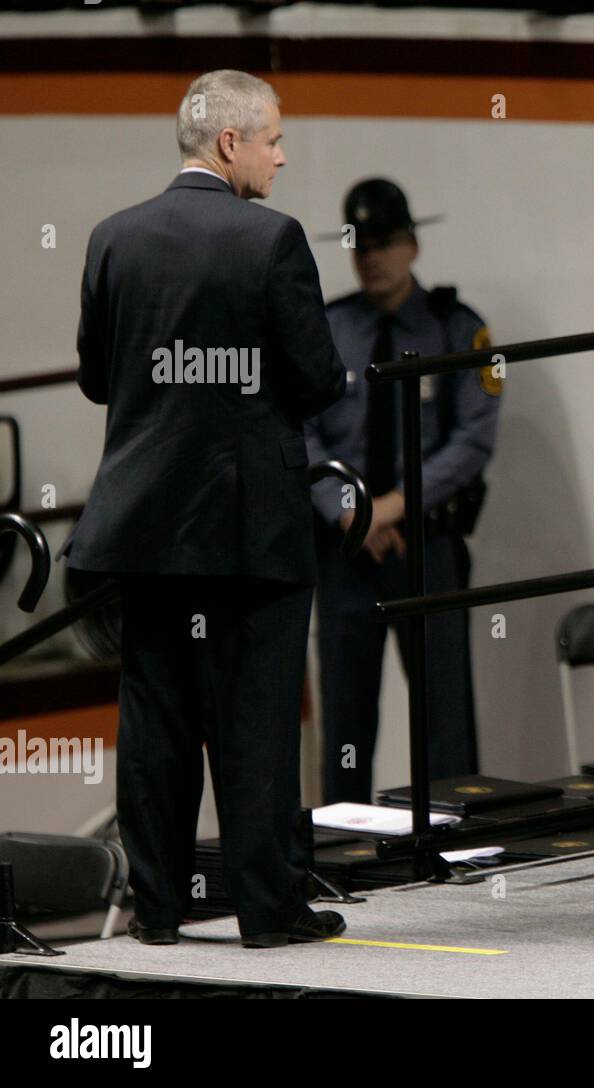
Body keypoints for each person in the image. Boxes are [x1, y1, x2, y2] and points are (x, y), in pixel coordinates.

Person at [70, 70, 348, 948]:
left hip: (145, 527)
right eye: (273, 139)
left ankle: (157, 913)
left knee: (155, 727)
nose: (282, 155)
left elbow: (94, 377)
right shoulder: (272, 241)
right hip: (248, 529)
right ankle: (266, 913)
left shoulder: (114, 238)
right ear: (230, 143)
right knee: (255, 723)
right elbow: (313, 381)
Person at [305, 178, 500, 803]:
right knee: (346, 720)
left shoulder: (456, 329)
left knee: (445, 714)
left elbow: (471, 440)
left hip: (427, 543)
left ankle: (458, 848)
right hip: (343, 552)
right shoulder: (327, 330)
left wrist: (386, 509)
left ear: (413, 246)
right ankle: (346, 853)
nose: (371, 257)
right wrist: (346, 511)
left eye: (385, 243)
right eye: (360, 244)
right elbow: (301, 429)